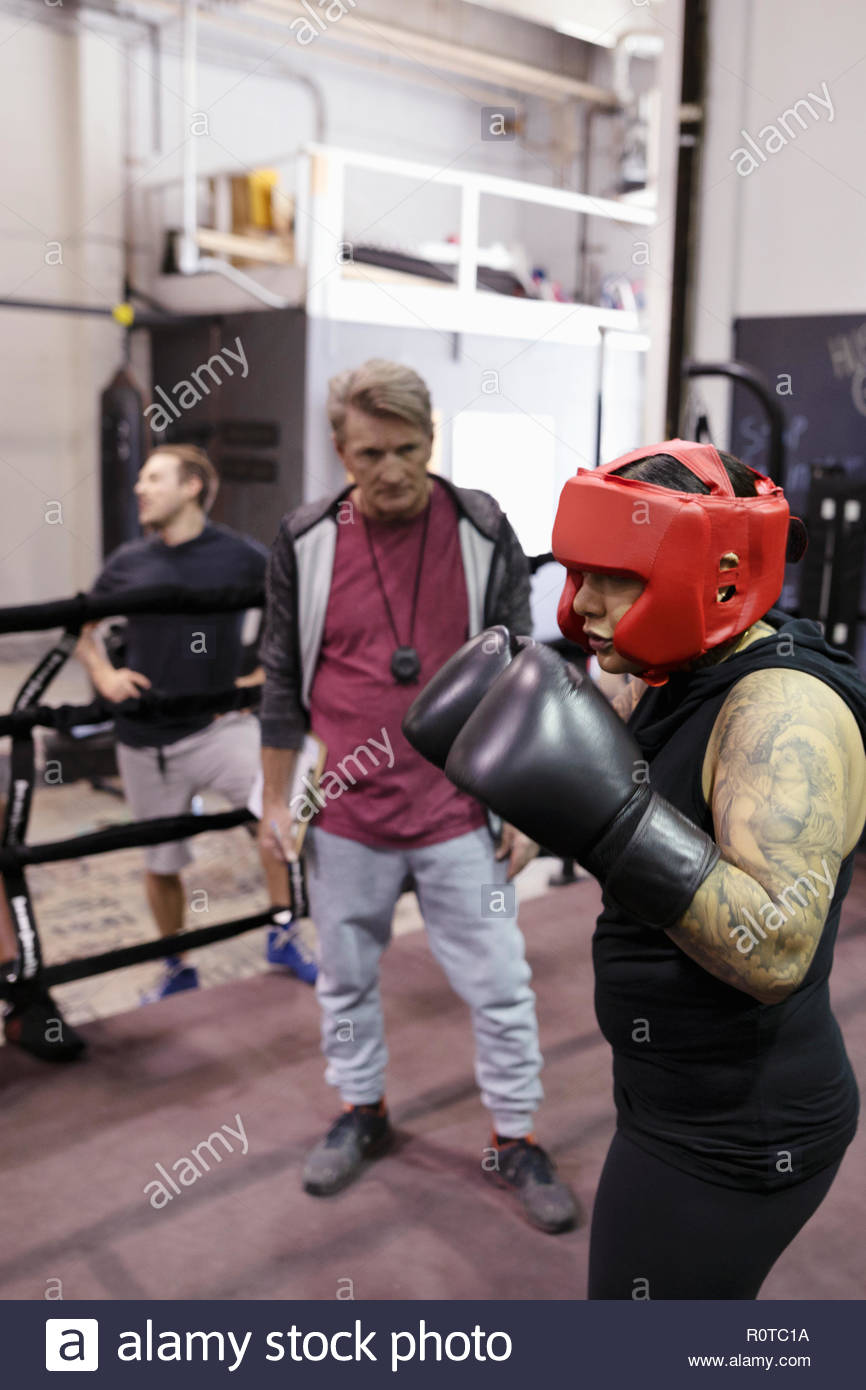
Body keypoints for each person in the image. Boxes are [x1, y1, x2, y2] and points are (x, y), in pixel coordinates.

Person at [404, 439, 864, 1298]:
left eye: (619, 577)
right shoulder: (664, 672)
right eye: (579, 573)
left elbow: (777, 949)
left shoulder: (784, 711)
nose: (586, 606)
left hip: (739, 1132)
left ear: (715, 573)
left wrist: (613, 822)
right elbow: (609, 761)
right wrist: (540, 815)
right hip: (666, 1095)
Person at [257, 358, 579, 1233]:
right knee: (345, 981)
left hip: (456, 811)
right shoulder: (304, 539)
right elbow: (283, 677)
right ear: (339, 449)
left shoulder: (480, 526)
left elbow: (521, 675)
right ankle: (362, 1113)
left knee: (501, 984)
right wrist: (273, 805)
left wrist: (526, 807)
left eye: (407, 449)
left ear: (432, 440)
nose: (390, 471)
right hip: (348, 817)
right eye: (369, 454)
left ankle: (516, 1137)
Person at [75, 445, 317, 1001]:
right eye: (139, 478)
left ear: (192, 487)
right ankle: (176, 966)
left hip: (215, 729)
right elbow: (80, 628)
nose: (140, 487)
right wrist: (106, 677)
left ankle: (282, 930)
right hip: (142, 739)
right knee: (162, 863)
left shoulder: (242, 557)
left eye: (154, 477)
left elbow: (294, 618)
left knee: (281, 800)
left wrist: (258, 678)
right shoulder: (127, 562)